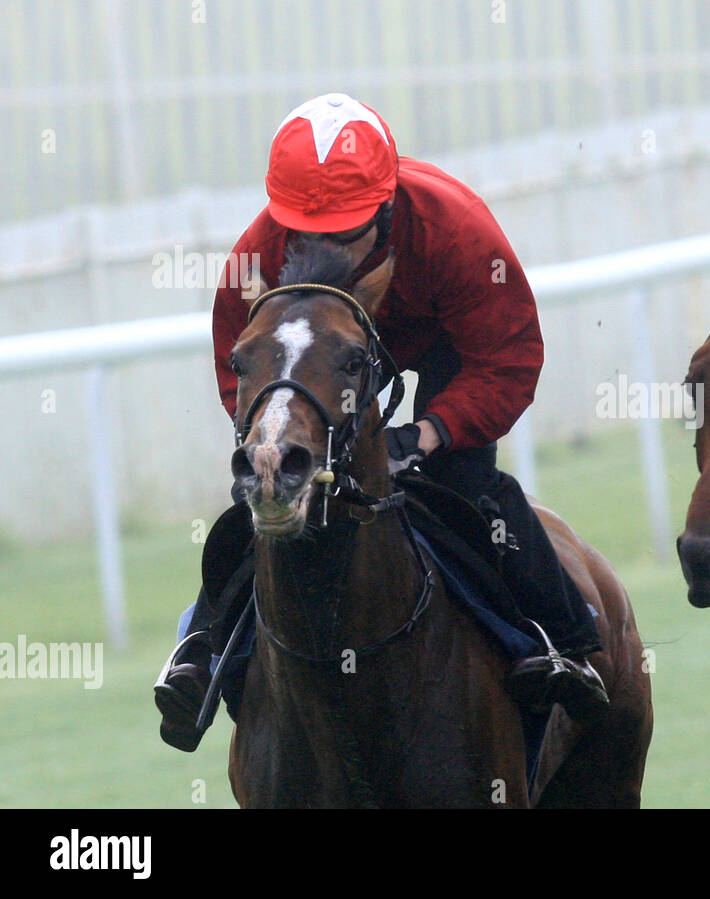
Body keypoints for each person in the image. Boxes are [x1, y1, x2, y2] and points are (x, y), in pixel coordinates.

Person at [154, 93, 608, 752]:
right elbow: (241, 367)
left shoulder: (456, 232)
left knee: (466, 486)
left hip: (441, 347)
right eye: (308, 232)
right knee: (261, 499)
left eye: (343, 231)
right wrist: (281, 438)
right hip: (314, 362)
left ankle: (562, 642)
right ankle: (200, 649)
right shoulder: (257, 259)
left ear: (389, 206)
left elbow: (507, 359)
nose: (324, 247)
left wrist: (429, 432)